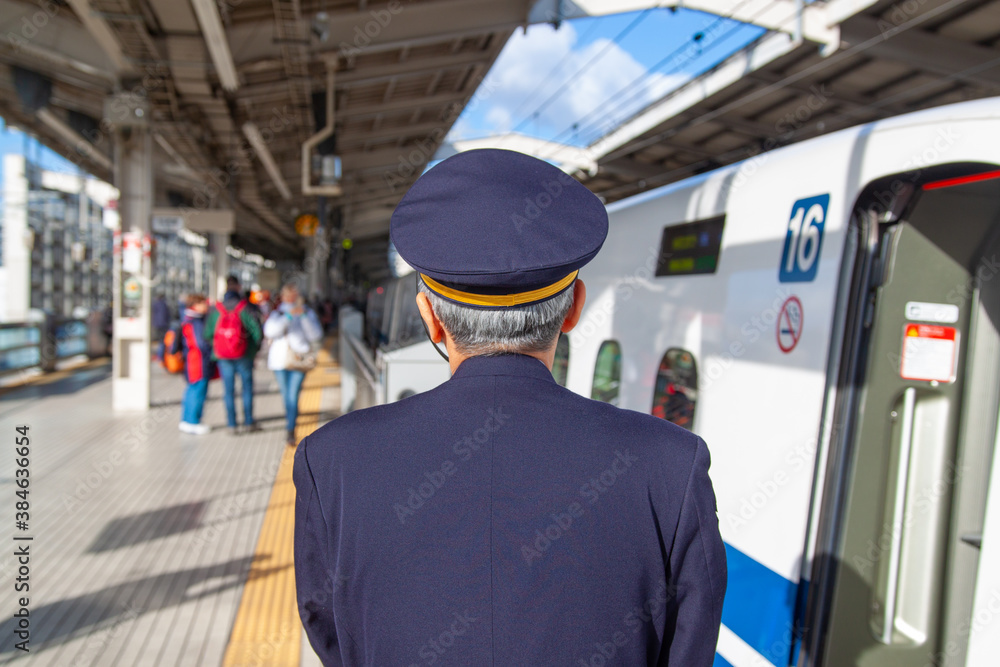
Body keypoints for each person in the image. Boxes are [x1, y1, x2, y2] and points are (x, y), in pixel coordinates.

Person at [293, 149, 727, 665]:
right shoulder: (672, 467)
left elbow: (334, 637)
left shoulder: (331, 462)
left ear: (430, 319)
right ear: (574, 308)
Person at [264, 284, 323, 446]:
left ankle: (290, 429)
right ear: (283, 297)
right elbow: (270, 332)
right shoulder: (278, 314)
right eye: (288, 296)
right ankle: (290, 422)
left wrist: (303, 317)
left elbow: (315, 335)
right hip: (279, 362)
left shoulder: (308, 313)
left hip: (299, 360)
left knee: (292, 394)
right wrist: (288, 317)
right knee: (286, 395)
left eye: (294, 296)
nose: (291, 299)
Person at [205, 275, 263, 434]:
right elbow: (257, 332)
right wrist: (254, 350)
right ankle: (249, 422)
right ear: (238, 287)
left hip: (223, 357)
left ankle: (231, 425)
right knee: (247, 388)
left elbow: (208, 333)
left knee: (228, 390)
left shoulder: (216, 309)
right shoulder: (245, 307)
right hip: (245, 355)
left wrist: (219, 347)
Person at [177, 294, 213, 435]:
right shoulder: (196, 321)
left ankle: (187, 420)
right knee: (198, 391)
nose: (206, 306)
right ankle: (193, 421)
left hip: (192, 360)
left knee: (192, 389)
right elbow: (201, 343)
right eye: (203, 303)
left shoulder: (187, 319)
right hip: (198, 361)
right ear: (195, 305)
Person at [152, 293, 171, 360]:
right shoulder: (164, 304)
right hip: (163, 325)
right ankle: (160, 355)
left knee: (160, 341)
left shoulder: (155, 304)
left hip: (157, 324)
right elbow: (166, 315)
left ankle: (159, 355)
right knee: (162, 341)